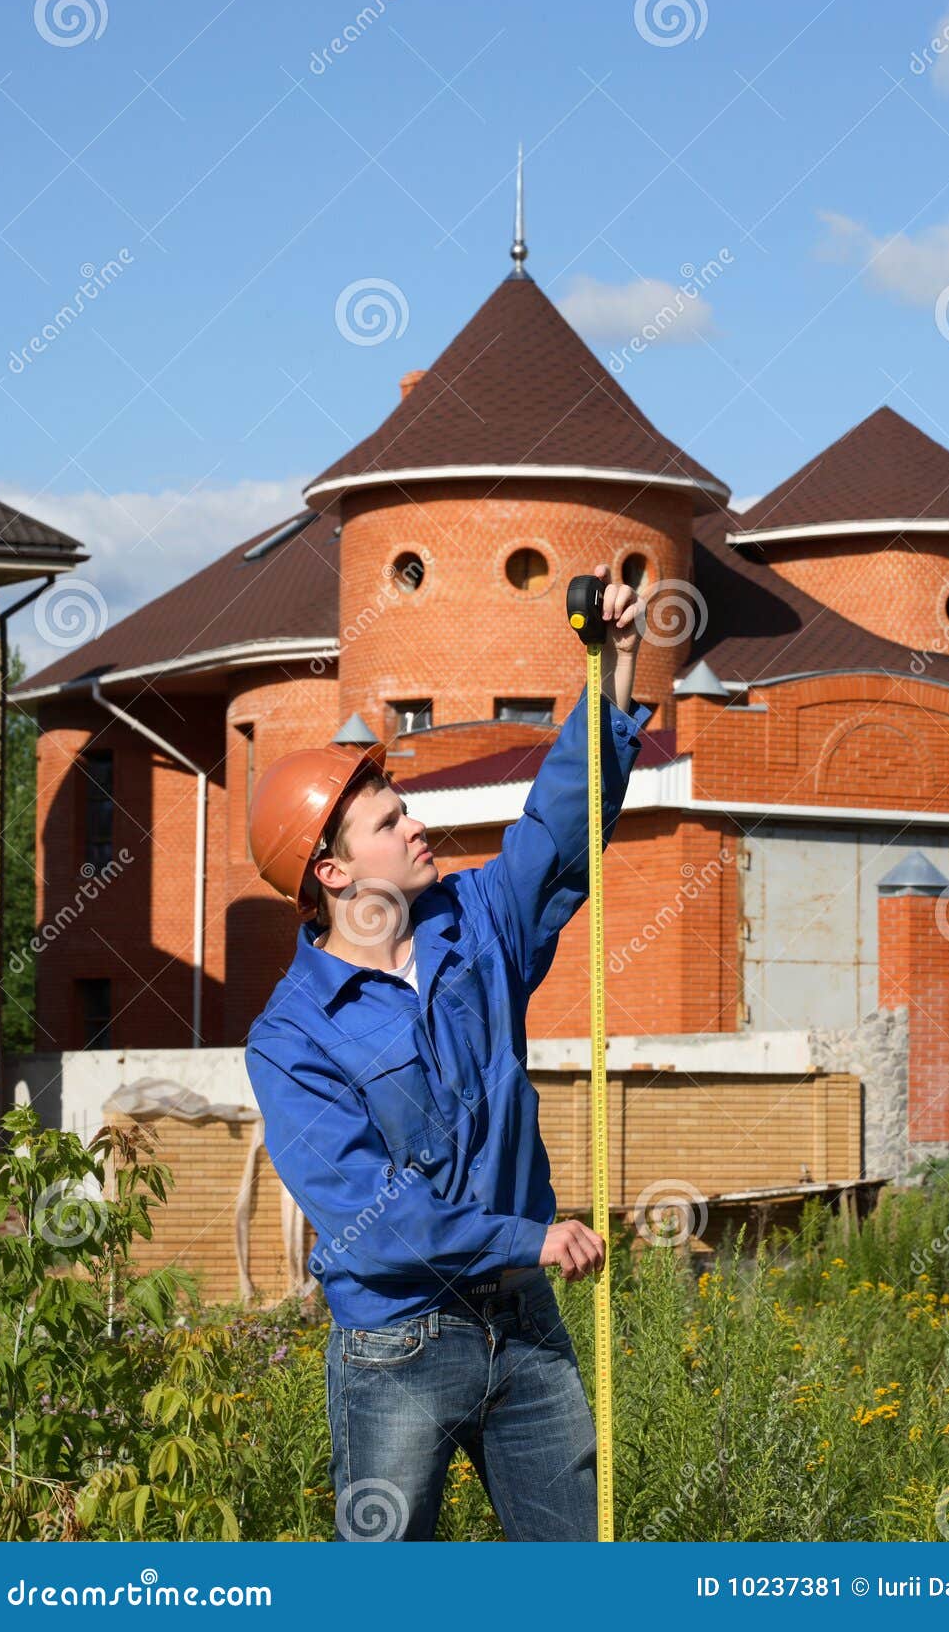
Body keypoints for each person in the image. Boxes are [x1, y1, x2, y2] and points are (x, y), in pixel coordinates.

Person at [245, 563, 650, 1541]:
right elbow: (370, 1223)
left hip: (523, 1322)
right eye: (389, 820)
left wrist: (617, 666)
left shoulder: (475, 924)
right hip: (396, 1347)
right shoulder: (292, 1036)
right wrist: (528, 1235)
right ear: (333, 871)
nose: (415, 821)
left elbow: (560, 826)